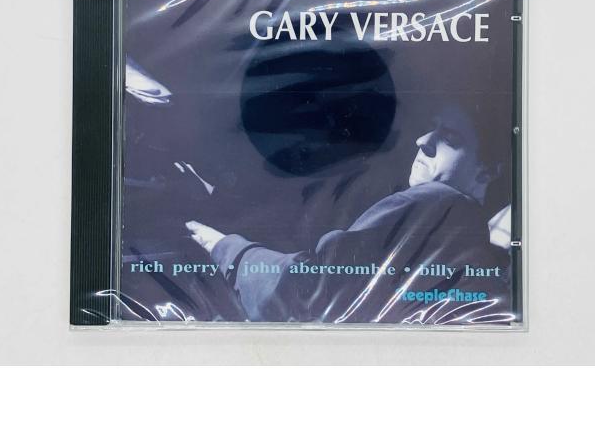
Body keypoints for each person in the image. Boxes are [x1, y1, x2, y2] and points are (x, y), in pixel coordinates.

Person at [187, 101, 514, 325]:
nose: (422, 141)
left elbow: (313, 291)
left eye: (449, 139)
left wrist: (229, 250)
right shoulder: (475, 248)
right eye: (431, 128)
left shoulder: (444, 202)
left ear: (488, 171)